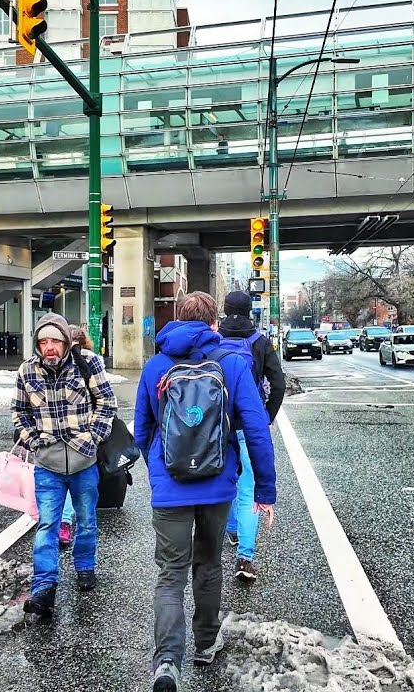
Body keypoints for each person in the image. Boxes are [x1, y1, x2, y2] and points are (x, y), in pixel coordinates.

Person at [135, 292, 276, 691]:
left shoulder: (156, 366)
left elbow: (143, 431)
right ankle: (206, 642)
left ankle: (166, 662)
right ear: (214, 321)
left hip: (171, 487)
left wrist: (161, 473)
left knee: (170, 573)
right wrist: (264, 488)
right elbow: (256, 430)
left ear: (179, 318)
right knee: (209, 564)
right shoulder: (231, 363)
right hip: (217, 487)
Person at [12, 313, 118, 617]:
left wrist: (94, 437)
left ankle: (85, 566)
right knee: (47, 524)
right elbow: (19, 411)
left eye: (54, 341)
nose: (49, 347)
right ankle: (44, 587)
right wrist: (33, 439)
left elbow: (107, 403)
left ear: (65, 342)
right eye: (43, 342)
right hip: (48, 463)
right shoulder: (27, 371)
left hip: (84, 460)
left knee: (86, 519)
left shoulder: (87, 363)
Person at [217, 291, 285, 582]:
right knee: (248, 490)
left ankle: (231, 529)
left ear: (225, 309)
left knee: (226, 481)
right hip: (248, 423)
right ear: (249, 311)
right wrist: (266, 416)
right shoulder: (259, 342)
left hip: (218, 424)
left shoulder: (213, 338)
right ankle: (245, 558)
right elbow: (278, 384)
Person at [59, 325, 97, 549]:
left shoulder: (89, 360)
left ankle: (66, 523)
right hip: (66, 432)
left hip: (84, 432)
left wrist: (96, 434)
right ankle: (64, 522)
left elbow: (100, 394)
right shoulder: (57, 362)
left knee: (79, 483)